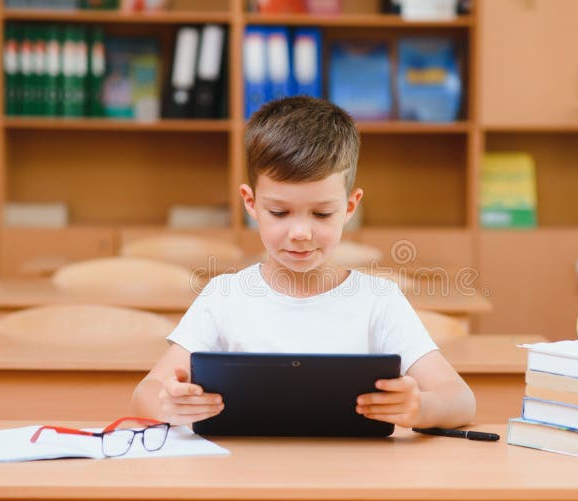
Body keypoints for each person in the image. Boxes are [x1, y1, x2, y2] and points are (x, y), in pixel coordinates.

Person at [132, 96, 476, 429]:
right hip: (242, 477)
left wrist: (420, 407)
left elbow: (460, 399)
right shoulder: (223, 297)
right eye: (279, 212)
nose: (300, 232)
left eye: (322, 213)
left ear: (350, 207)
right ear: (250, 203)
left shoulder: (379, 301)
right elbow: (145, 393)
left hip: (356, 478)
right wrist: (168, 403)